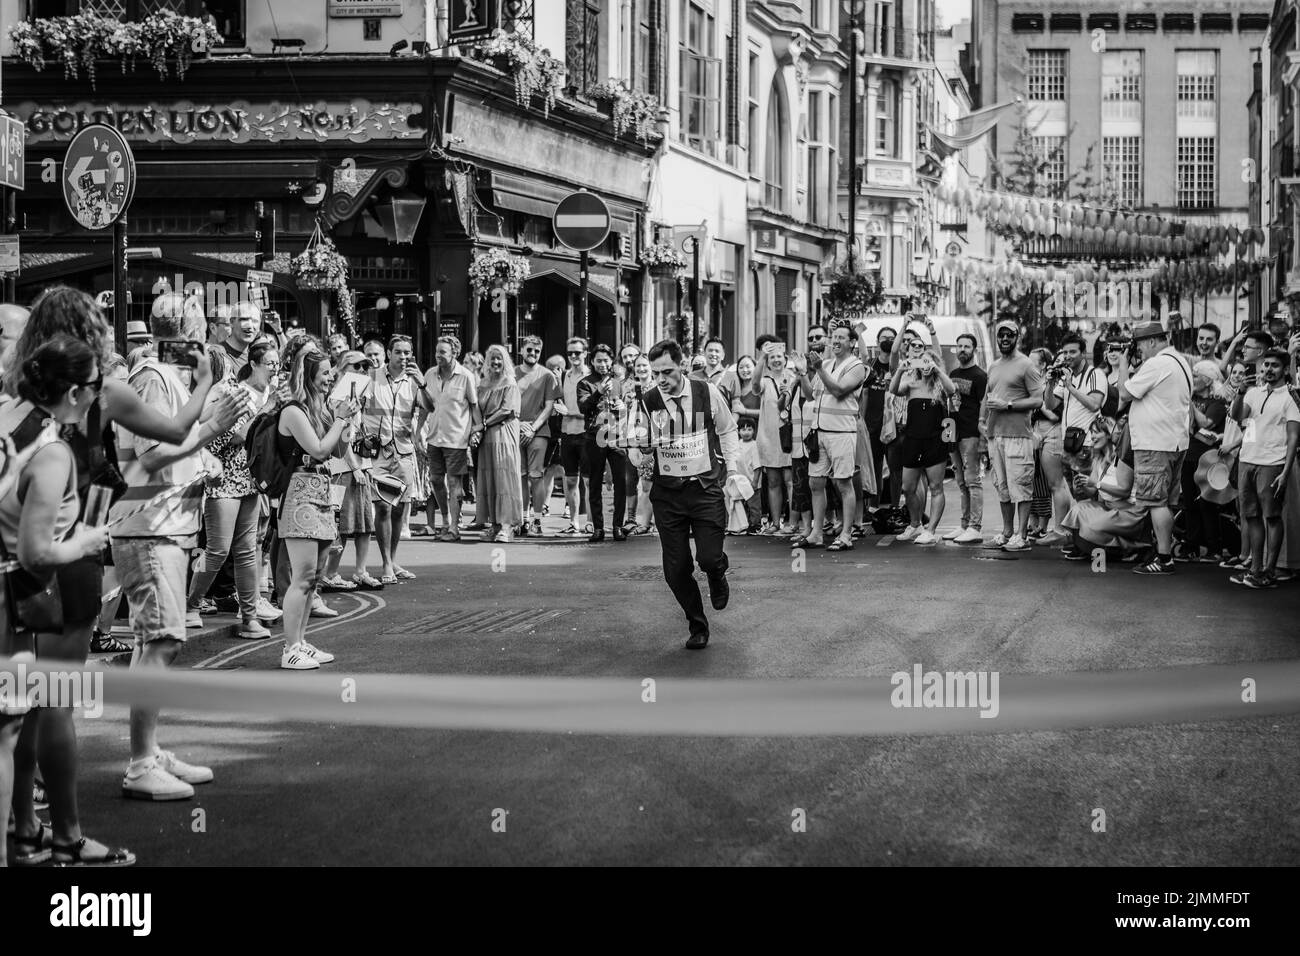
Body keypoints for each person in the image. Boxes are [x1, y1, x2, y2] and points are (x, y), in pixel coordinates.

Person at [1, 336, 134, 866]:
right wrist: (81, 542)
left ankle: (27, 837)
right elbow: (35, 553)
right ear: (77, 392)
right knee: (6, 732)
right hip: (9, 600)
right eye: (97, 389)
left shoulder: (8, 417)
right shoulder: (51, 450)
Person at [112, 292, 249, 800]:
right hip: (147, 528)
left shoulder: (167, 378)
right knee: (165, 638)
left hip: (161, 526)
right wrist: (212, 427)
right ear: (187, 331)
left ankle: (148, 750)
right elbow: (151, 457)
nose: (207, 339)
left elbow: (171, 453)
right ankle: (140, 763)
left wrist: (202, 461)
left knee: (154, 640)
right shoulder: (151, 376)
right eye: (203, 328)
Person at [629, 339, 740, 649]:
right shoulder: (647, 401)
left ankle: (717, 570)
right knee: (676, 569)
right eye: (655, 373)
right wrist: (642, 451)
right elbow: (636, 450)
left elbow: (727, 430)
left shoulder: (707, 392)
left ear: (682, 365)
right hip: (668, 496)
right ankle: (697, 625)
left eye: (667, 371)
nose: (661, 379)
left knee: (707, 557)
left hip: (704, 489)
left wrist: (733, 471)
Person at [276, 346, 360, 669]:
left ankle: (301, 640)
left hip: (323, 492)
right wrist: (338, 420)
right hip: (300, 495)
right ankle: (289, 648)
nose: (330, 378)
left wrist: (345, 422)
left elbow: (337, 451)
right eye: (325, 373)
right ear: (308, 375)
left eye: (331, 373)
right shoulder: (293, 411)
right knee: (303, 576)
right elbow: (318, 448)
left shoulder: (322, 409)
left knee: (314, 578)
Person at [184, 344, 275, 639]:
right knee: (218, 550)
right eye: (226, 370)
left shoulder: (232, 394)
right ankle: (192, 606)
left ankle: (249, 618)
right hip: (222, 482)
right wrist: (264, 409)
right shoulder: (221, 398)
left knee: (247, 552)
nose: (231, 376)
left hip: (247, 480)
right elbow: (232, 437)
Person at [1114, 318, 1194, 575]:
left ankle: (1163, 558)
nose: (1139, 351)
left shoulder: (1157, 363)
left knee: (1156, 502)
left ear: (1151, 341)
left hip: (1154, 444)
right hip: (1173, 442)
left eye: (1140, 346)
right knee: (1165, 502)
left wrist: (1123, 365)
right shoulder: (1180, 361)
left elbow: (1124, 393)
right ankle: (1161, 552)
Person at [1229, 348, 1300, 588]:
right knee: (1251, 516)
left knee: (1271, 517)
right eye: (1266, 365)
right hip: (1247, 460)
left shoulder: (1289, 398)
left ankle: (1269, 571)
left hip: (1272, 463)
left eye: (1274, 366)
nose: (1268, 369)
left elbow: (1293, 437)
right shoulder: (1252, 393)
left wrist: (1285, 471)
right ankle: (1255, 569)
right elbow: (1237, 415)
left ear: (1283, 370)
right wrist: (1239, 391)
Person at [363, 334, 430, 582]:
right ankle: (386, 564)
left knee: (399, 509)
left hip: (403, 451)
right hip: (377, 452)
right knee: (382, 506)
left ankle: (392, 559)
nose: (403, 357)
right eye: (399, 352)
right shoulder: (370, 377)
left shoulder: (414, 381)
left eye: (407, 353)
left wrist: (422, 383)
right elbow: (353, 407)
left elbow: (431, 406)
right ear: (388, 354)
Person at [799, 322, 866, 552]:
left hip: (841, 433)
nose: (835, 341)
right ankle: (816, 533)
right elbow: (809, 396)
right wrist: (802, 373)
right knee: (815, 482)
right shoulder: (825, 364)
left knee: (843, 483)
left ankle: (846, 534)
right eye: (833, 337)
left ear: (852, 342)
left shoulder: (857, 366)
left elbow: (838, 390)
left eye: (841, 337)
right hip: (820, 432)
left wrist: (818, 369)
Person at [981, 318, 1044, 552]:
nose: (1005, 339)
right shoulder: (994, 365)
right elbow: (988, 397)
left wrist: (1008, 405)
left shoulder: (1026, 365)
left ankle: (1022, 534)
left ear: (1017, 337)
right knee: (1003, 487)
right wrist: (982, 422)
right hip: (995, 435)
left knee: (1021, 486)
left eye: (1010, 335)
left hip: (1019, 436)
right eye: (1001, 335)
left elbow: (1038, 399)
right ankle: (1007, 532)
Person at [322, 350, 382, 589]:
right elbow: (341, 436)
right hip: (343, 467)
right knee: (343, 524)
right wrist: (355, 467)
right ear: (344, 367)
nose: (362, 371)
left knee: (365, 523)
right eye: (357, 367)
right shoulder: (338, 396)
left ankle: (360, 570)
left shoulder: (357, 393)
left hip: (360, 464)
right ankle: (331, 573)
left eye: (365, 367)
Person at [890, 333, 956, 544]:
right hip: (913, 439)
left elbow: (952, 390)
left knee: (936, 486)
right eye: (923, 362)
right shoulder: (911, 382)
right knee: (908, 487)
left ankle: (931, 529)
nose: (925, 366)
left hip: (935, 440)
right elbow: (893, 389)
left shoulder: (939, 385)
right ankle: (915, 523)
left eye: (929, 362)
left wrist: (936, 369)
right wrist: (901, 369)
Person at [1060, 416, 1148, 559]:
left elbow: (1124, 491)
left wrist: (1096, 483)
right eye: (1092, 433)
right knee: (1077, 510)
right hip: (1108, 507)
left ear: (1108, 434)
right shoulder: (1098, 458)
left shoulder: (1121, 457)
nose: (1092, 437)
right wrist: (1081, 487)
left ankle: (1133, 548)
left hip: (1128, 511)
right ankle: (1085, 547)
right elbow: (1092, 492)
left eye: (1096, 432)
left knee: (1092, 526)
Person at [424, 335, 481, 542]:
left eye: (443, 352)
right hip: (434, 437)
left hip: (456, 438)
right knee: (435, 480)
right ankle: (446, 521)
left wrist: (477, 428)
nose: (438, 355)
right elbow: (425, 404)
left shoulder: (465, 375)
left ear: (454, 353)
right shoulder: (430, 374)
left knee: (455, 483)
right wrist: (418, 431)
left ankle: (454, 528)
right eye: (437, 351)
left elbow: (474, 405)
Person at [1178, 360, 1230, 564]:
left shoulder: (1217, 402)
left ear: (1209, 380)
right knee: (1190, 503)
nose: (1193, 378)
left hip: (1208, 459)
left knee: (1208, 504)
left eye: (1197, 375)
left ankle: (1214, 548)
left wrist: (1189, 403)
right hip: (1188, 455)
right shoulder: (1192, 398)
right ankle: (1191, 546)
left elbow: (1206, 423)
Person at [577, 344, 629, 542]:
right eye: (599, 360)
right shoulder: (584, 383)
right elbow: (583, 406)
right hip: (594, 437)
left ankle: (618, 526)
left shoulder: (619, 383)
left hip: (616, 436)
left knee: (620, 483)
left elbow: (626, 410)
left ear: (611, 361)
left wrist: (622, 407)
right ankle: (598, 528)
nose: (603, 364)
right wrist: (598, 392)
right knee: (595, 482)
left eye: (606, 360)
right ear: (592, 361)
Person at [474, 344, 524, 542]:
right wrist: (479, 428)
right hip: (487, 435)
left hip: (504, 432)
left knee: (505, 477)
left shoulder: (510, 382)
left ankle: (507, 526)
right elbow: (475, 406)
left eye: (499, 358)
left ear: (506, 361)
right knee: (490, 479)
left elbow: (506, 410)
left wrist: (482, 425)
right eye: (492, 358)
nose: (495, 362)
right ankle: (495, 525)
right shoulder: (483, 383)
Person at [516, 335, 561, 537]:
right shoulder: (512, 374)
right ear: (522, 350)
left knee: (536, 476)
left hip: (538, 431)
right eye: (529, 350)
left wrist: (533, 428)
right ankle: (523, 519)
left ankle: (537, 520)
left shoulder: (547, 376)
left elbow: (550, 406)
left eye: (536, 351)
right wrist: (518, 425)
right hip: (515, 430)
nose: (532, 354)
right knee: (520, 477)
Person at [945, 332, 987, 543]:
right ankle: (963, 525)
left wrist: (982, 440)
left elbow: (985, 407)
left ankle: (975, 527)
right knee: (960, 482)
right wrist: (947, 435)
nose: (962, 349)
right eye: (959, 345)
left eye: (966, 346)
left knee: (973, 481)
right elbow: (950, 405)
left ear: (974, 350)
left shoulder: (980, 376)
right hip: (954, 432)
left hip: (971, 434)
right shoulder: (952, 373)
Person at [751, 342, 797, 535]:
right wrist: (761, 357)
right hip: (769, 437)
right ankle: (776, 522)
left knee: (791, 480)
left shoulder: (794, 378)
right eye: (772, 357)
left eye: (779, 356)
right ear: (768, 362)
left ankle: (793, 522)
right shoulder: (765, 381)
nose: (776, 360)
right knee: (773, 481)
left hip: (791, 436)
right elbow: (754, 384)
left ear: (785, 359)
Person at [555, 337, 591, 535]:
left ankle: (590, 523)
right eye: (570, 353)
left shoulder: (592, 376)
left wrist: (569, 412)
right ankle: (573, 522)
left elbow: (595, 410)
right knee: (570, 481)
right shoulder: (565, 375)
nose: (574, 356)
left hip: (586, 434)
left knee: (588, 481)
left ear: (585, 354)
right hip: (567, 434)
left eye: (577, 352)